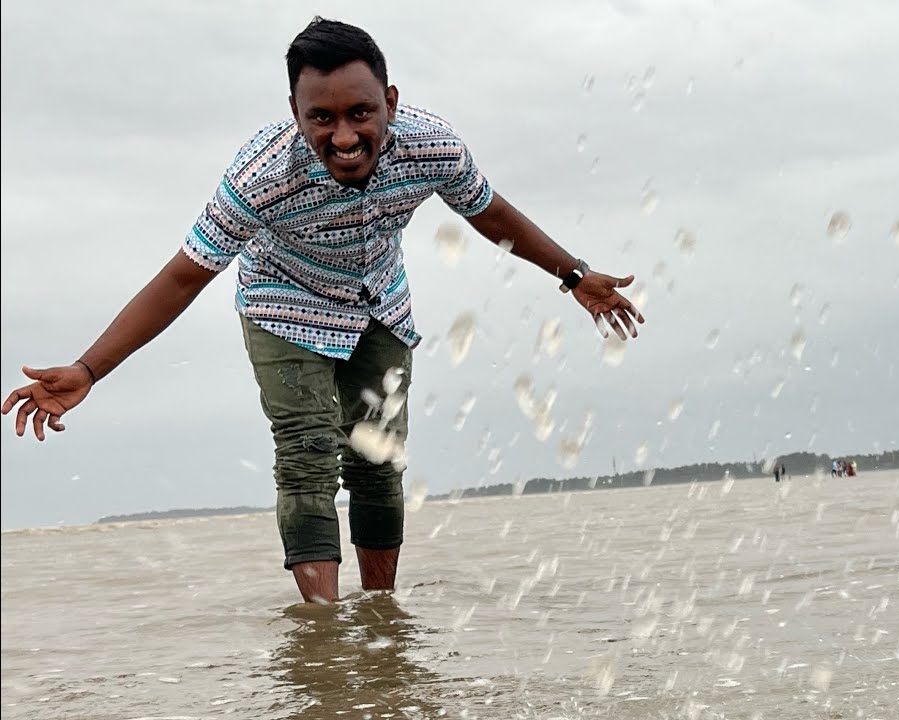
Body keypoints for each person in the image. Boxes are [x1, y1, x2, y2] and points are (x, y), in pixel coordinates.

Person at [0, 18, 644, 604]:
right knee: (306, 451)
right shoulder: (260, 175)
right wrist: (89, 370)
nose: (344, 136)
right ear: (296, 113)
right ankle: (325, 634)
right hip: (282, 303)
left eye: (362, 113)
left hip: (377, 302)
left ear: (390, 102)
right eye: (322, 119)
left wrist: (575, 275)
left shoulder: (431, 147)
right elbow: (179, 277)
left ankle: (381, 615)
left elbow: (490, 213)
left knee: (377, 458)